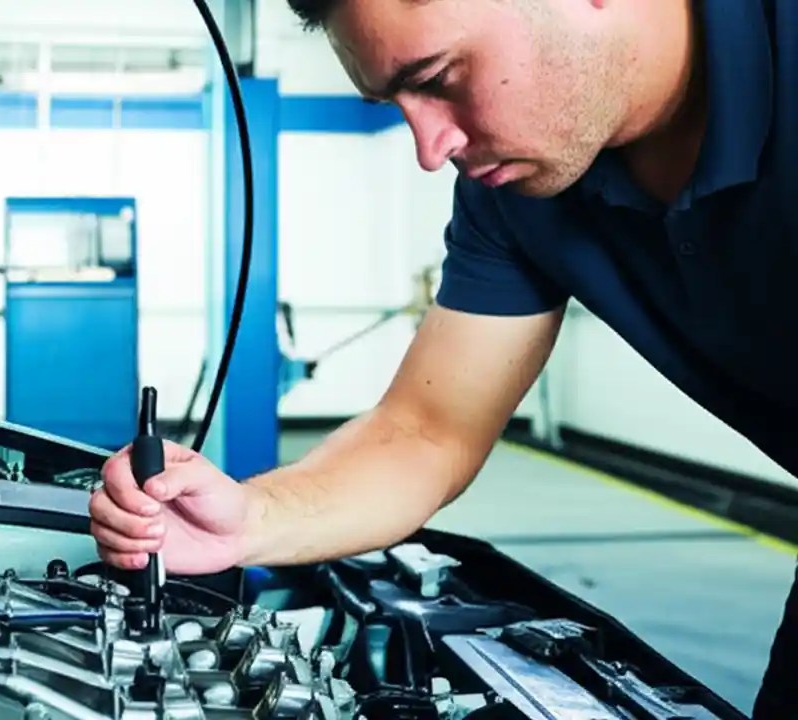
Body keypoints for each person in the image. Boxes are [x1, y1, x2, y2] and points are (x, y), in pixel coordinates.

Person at [88, 0, 796, 716]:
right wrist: (248, 518)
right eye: (396, 100)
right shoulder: (516, 195)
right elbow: (428, 429)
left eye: (438, 75)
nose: (430, 148)